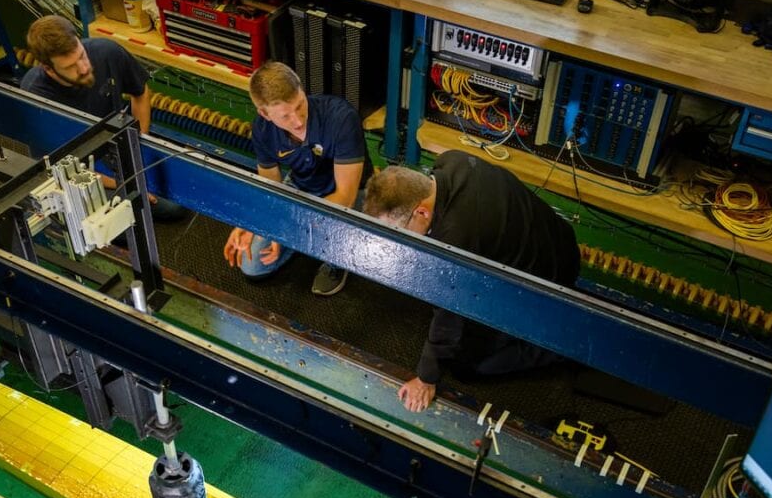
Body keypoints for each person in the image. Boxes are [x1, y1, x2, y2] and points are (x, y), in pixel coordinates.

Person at [364, 151, 580, 412]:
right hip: (556, 238)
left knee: (469, 363)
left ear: (421, 211)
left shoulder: (457, 237)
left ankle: (560, 346)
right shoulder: (450, 161)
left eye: (399, 230)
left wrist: (426, 379)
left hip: (547, 278)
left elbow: (449, 314)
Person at [222, 61, 372, 296]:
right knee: (251, 264)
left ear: (302, 90)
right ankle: (305, 240)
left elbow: (345, 196)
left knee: (346, 221)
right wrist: (255, 222)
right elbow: (270, 187)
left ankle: (336, 260)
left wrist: (282, 227)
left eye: (300, 105)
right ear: (265, 113)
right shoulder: (262, 129)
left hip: (351, 193)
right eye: (285, 116)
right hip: (302, 189)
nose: (298, 121)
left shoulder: (342, 118)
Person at [20, 15, 184, 220]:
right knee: (117, 228)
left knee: (176, 206)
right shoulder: (36, 98)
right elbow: (57, 168)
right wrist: (125, 184)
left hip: (116, 148)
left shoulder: (107, 51)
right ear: (48, 69)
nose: (83, 68)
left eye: (81, 55)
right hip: (78, 168)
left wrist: (138, 146)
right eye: (70, 66)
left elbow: (140, 93)